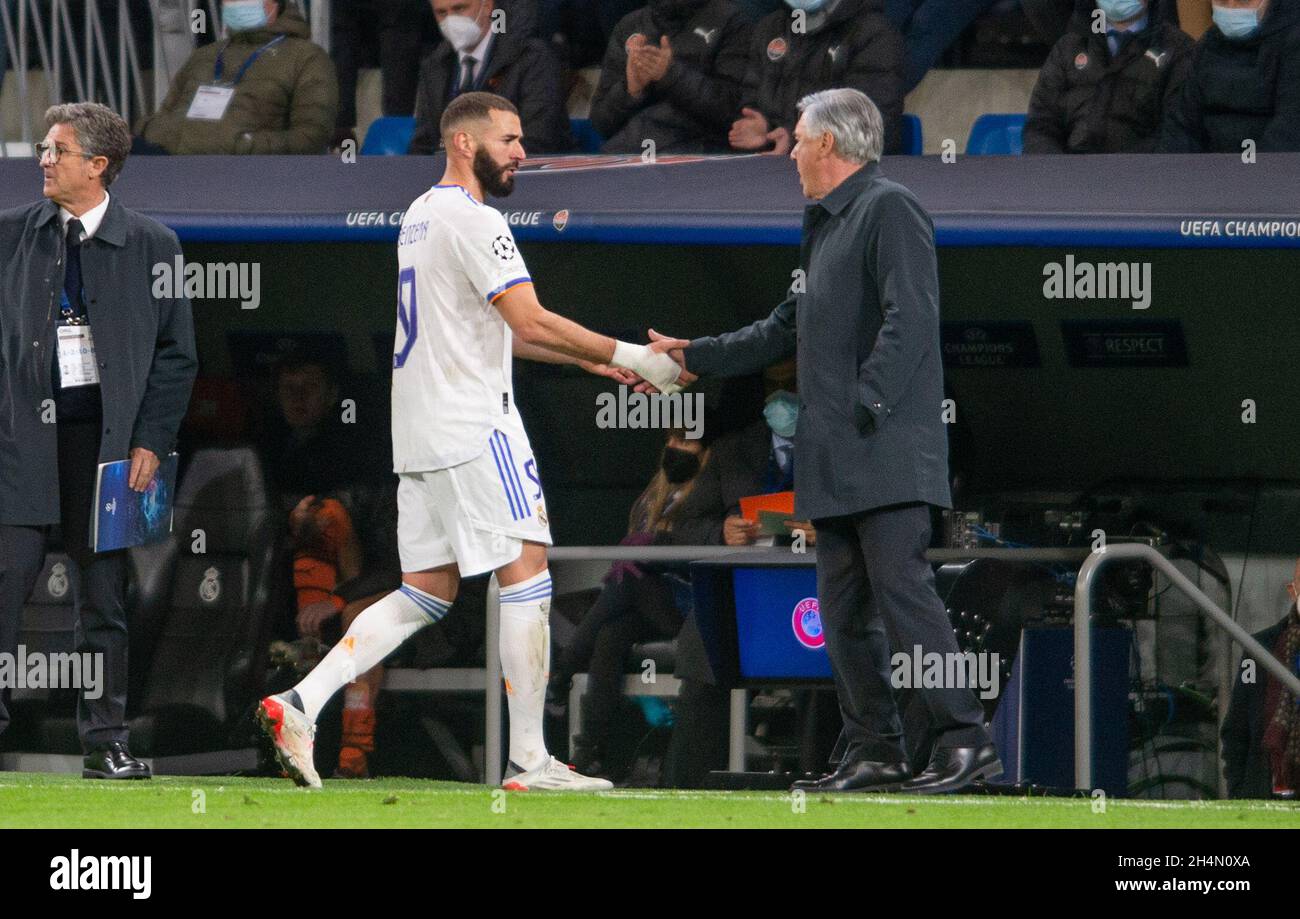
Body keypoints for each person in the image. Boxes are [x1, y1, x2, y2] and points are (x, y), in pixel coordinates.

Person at [256, 91, 685, 790]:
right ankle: (530, 758)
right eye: (511, 139)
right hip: (474, 423)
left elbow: (506, 331)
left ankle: (300, 702)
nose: (523, 152)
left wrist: (593, 360)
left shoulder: (420, 216)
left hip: (420, 431)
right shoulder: (475, 218)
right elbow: (531, 318)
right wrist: (635, 356)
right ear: (464, 142)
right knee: (528, 568)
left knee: (426, 589)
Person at [648, 88, 1000, 794]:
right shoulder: (822, 224)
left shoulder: (890, 207)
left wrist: (863, 406)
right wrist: (694, 355)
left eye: (799, 141)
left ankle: (967, 740)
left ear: (830, 145)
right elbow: (779, 327)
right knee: (840, 616)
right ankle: (876, 747)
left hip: (888, 453)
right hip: (835, 462)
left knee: (908, 601)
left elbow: (911, 320)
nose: (792, 155)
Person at [0, 102, 197, 779]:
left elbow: (177, 355)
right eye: (45, 149)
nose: (44, 160)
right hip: (21, 439)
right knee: (5, 582)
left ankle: (105, 741)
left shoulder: (155, 245)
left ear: (98, 164)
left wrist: (151, 438)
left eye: (57, 150)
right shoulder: (9, 236)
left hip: (107, 446)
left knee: (105, 597)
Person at [550, 428, 716, 779]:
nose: (675, 448)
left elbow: (691, 555)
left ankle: (562, 670)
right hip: (653, 603)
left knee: (629, 582)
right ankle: (589, 752)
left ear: (704, 453)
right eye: (671, 441)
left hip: (689, 608)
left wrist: (656, 546)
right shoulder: (651, 497)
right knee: (611, 634)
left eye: (685, 443)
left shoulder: (706, 494)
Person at [134, 0, 338, 154]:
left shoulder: (306, 57)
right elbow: (165, 114)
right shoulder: (205, 55)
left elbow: (311, 137)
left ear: (276, 4)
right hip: (172, 163)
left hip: (247, 174)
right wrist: (152, 130)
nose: (237, 3)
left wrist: (243, 144)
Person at [730, 0, 906, 156]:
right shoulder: (770, 27)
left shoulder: (874, 36)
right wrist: (760, 126)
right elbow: (750, 95)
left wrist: (798, 139)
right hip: (769, 169)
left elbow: (869, 123)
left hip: (846, 176)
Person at [1025, 0, 1193, 153]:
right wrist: (1057, 175)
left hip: (1143, 178)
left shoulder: (1178, 51)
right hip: (1069, 177)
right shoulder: (1069, 47)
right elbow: (1041, 125)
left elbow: (1177, 134)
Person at [408, 0, 572, 155]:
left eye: (459, 8)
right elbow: (424, 144)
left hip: (526, 177)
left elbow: (537, 139)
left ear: (486, 6)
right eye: (442, 13)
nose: (451, 20)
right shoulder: (434, 65)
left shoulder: (532, 58)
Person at [589, 0, 753, 153]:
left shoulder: (731, 21)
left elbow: (735, 111)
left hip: (696, 156)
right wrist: (630, 90)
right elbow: (600, 123)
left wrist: (671, 75)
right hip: (628, 154)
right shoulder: (629, 25)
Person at [1160, 0, 1300, 152]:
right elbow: (1181, 124)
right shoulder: (1208, 44)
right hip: (1209, 168)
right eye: (1222, 1)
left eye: (1244, 1)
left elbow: (1288, 131)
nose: (1232, 8)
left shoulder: (1292, 43)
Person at [1221, 559, 1300, 798]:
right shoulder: (1259, 649)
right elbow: (1236, 730)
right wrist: (1240, 794)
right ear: (1292, 590)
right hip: (1266, 794)